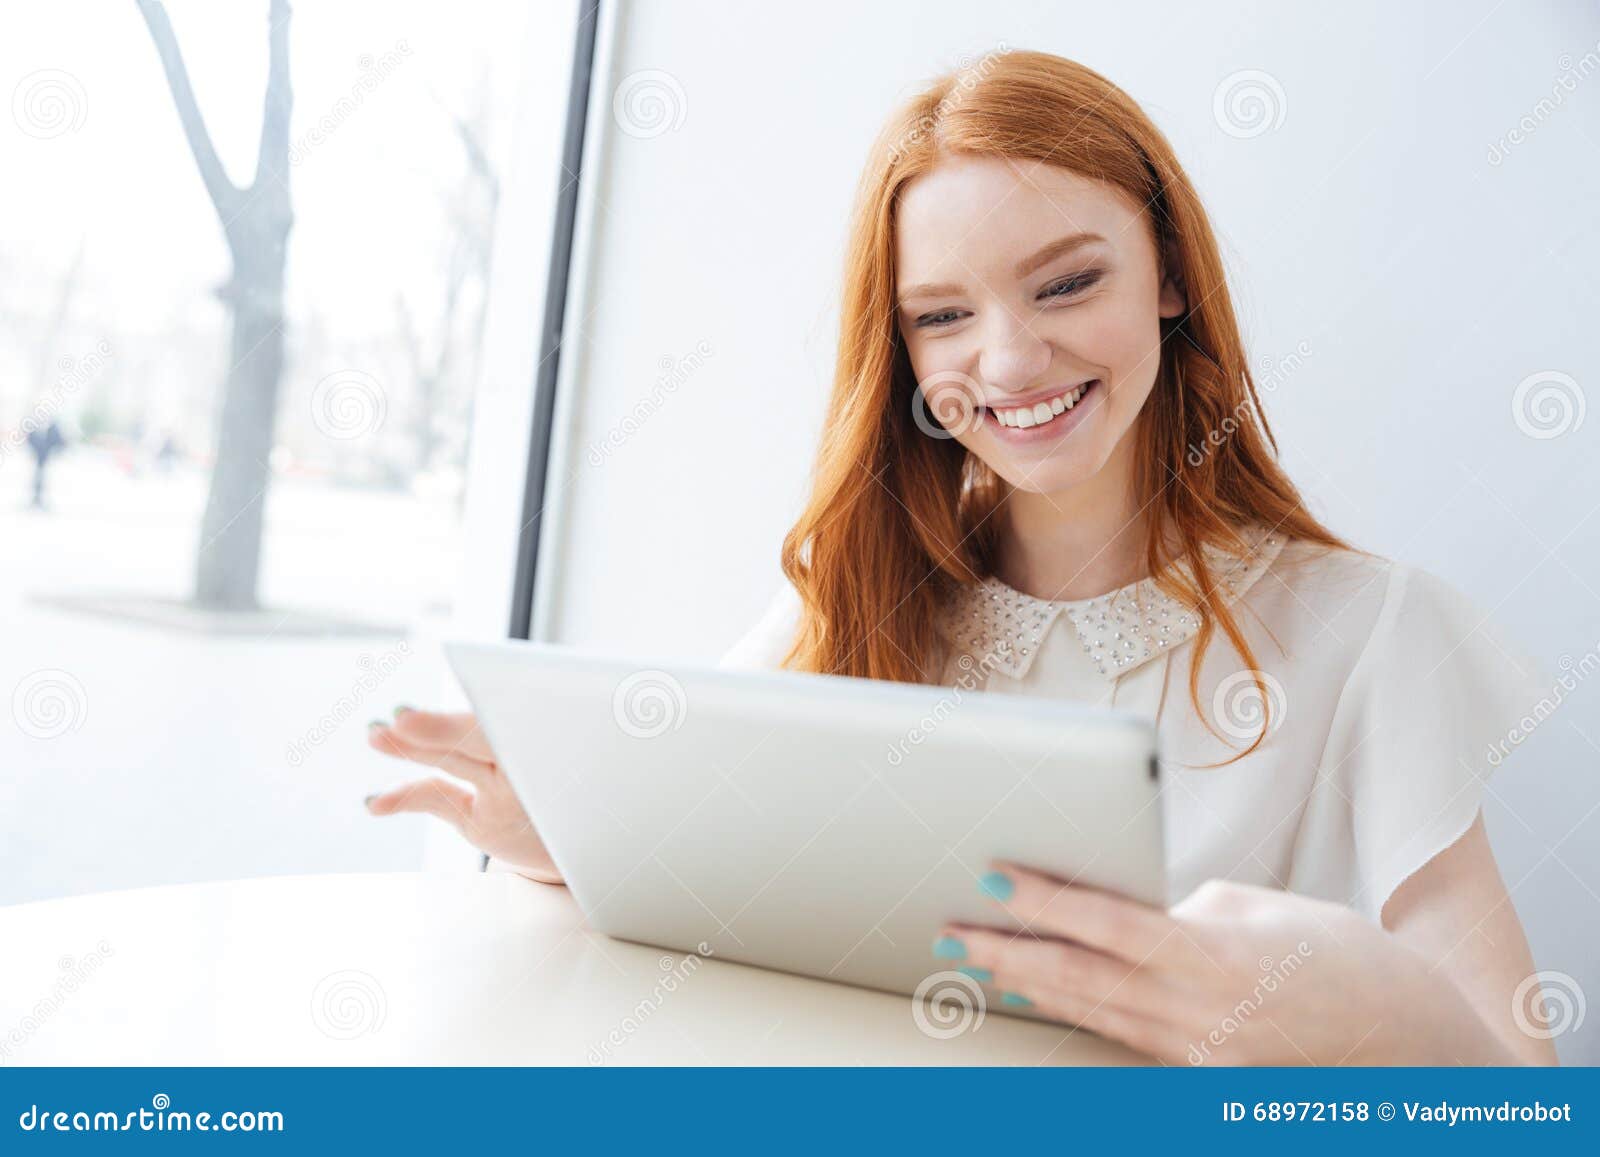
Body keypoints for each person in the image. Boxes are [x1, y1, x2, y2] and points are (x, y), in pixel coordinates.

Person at [365, 50, 1555, 1065]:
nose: (1007, 361)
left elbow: (1523, 1093)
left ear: (1173, 276)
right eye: (942, 315)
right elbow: (714, 907)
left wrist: (1378, 1016)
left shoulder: (1370, 631)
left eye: (1069, 281)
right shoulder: (845, 603)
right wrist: (568, 846)